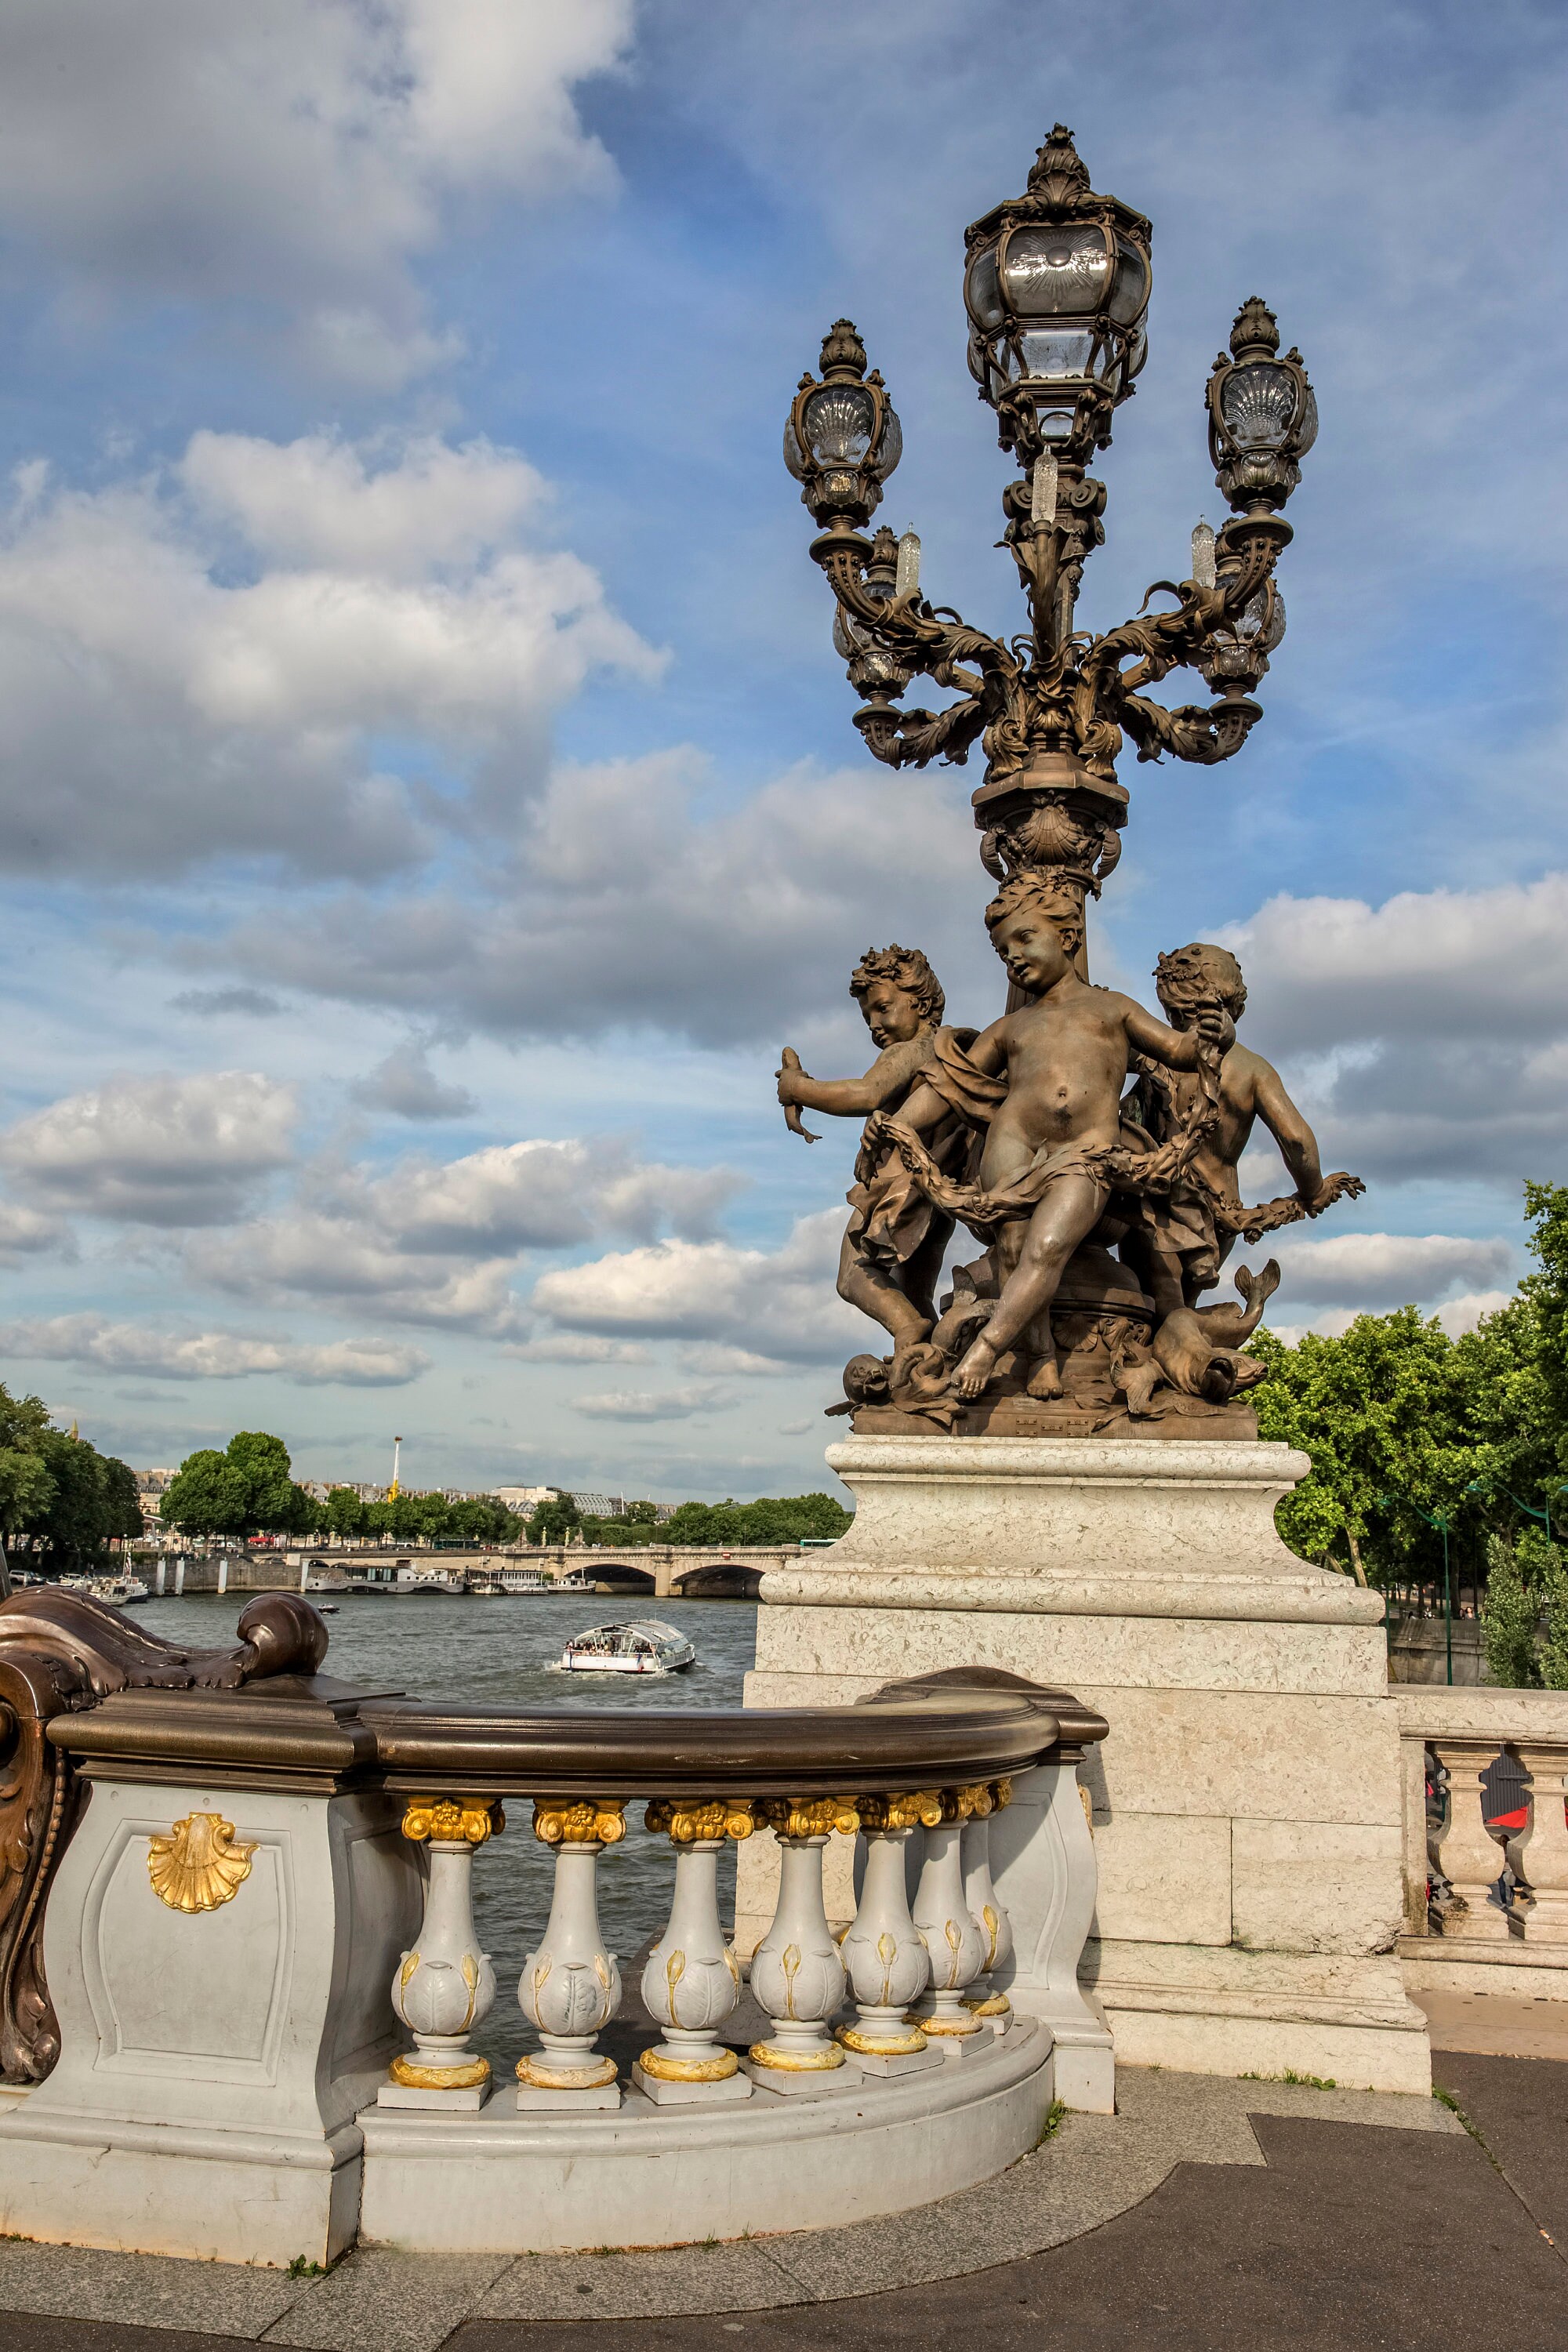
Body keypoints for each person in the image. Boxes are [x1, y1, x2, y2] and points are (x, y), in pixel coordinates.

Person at [871, 875, 1232, 1401]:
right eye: (1002, 950)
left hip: (1087, 1152)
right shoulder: (1011, 1026)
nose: (1012, 957)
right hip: (1013, 1139)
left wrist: (1217, 1034)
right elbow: (949, 1083)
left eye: (1024, 939)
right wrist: (902, 1122)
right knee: (1013, 1247)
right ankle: (1040, 1355)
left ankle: (988, 1348)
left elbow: (1180, 1052)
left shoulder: (1114, 1009)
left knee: (1047, 1244)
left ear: (1067, 938)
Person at [1121, 942, 1363, 1316]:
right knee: (1181, 1307)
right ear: (1238, 1005)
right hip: (1221, 1210)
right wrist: (1313, 1191)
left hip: (1154, 1201)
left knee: (1156, 1308)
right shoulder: (1253, 1069)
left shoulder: (1150, 1055)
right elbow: (1296, 1139)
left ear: (1169, 1003)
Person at [776, 946, 962, 1350]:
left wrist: (797, 1088)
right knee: (913, 1295)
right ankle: (929, 1359)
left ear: (921, 1002)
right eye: (867, 1017)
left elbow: (864, 1093)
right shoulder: (952, 1055)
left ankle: (911, 1335)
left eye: (883, 1008)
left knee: (854, 1275)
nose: (875, 1024)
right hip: (935, 1196)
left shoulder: (914, 1049)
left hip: (899, 1191)